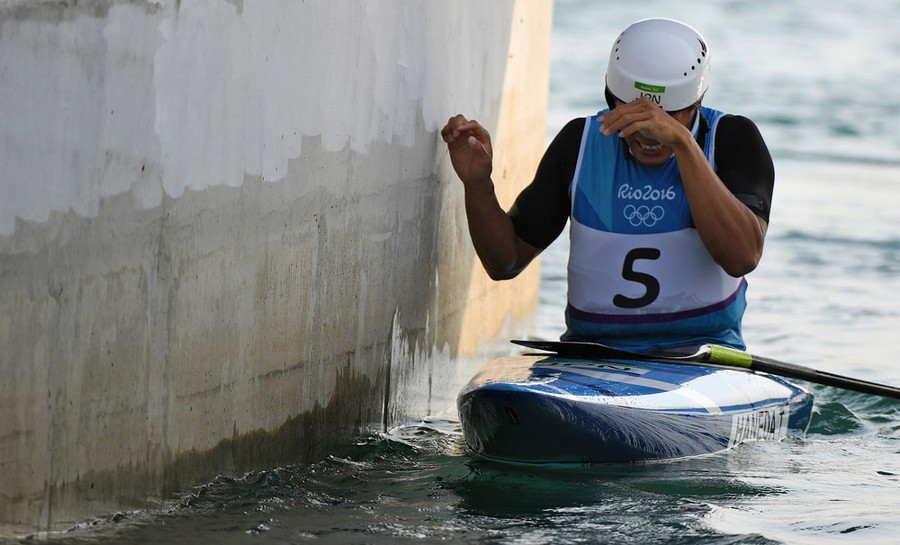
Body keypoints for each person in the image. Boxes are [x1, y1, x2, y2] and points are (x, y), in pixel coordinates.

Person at [440, 18, 774, 351]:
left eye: (667, 118)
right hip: (591, 351)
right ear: (612, 99)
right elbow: (505, 262)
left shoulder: (732, 139)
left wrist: (684, 145)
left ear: (696, 104)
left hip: (703, 352)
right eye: (634, 114)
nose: (649, 134)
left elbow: (742, 257)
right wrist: (478, 183)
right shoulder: (579, 142)